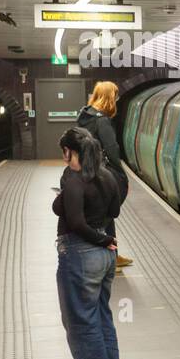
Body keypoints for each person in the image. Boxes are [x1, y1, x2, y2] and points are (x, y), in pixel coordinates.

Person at [53, 127, 124, 359]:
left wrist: (99, 240)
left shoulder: (74, 181)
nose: (63, 155)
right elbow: (114, 211)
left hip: (81, 253)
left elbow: (76, 223)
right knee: (101, 314)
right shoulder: (108, 177)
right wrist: (105, 239)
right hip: (105, 257)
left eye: (64, 150)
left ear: (71, 151)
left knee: (80, 318)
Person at [77, 81, 132, 269]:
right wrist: (121, 172)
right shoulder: (102, 120)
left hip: (89, 171)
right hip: (103, 174)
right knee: (104, 218)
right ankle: (105, 261)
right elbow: (111, 148)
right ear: (110, 97)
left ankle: (113, 255)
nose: (117, 99)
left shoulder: (84, 116)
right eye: (115, 96)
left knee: (105, 217)